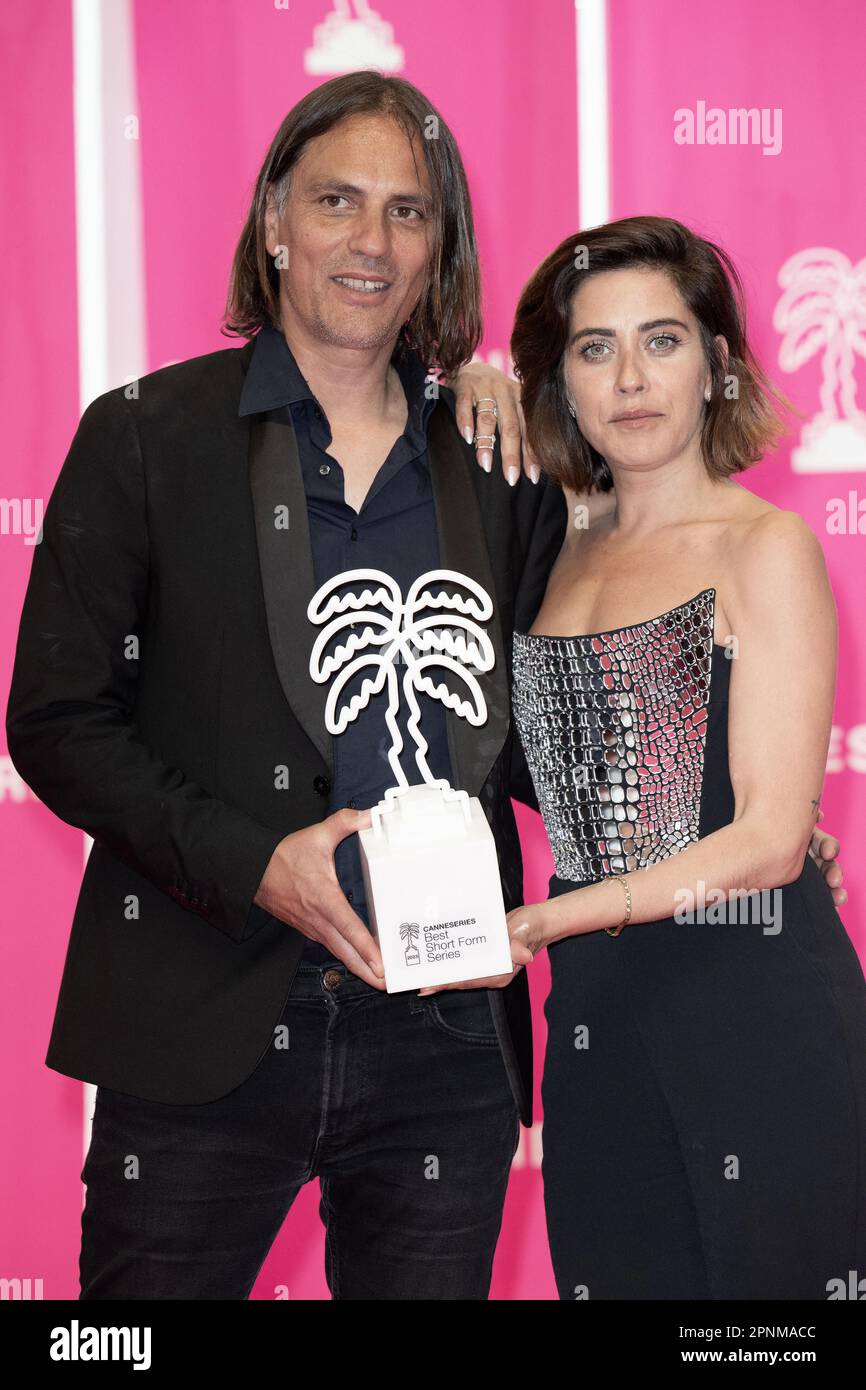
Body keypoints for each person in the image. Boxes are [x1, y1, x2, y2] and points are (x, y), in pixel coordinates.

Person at [4, 71, 844, 1299]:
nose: (372, 239)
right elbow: (57, 721)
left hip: (446, 1033)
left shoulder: (494, 458)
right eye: (338, 201)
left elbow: (543, 727)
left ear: (438, 245)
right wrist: (254, 861)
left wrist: (741, 832)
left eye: (408, 212)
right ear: (275, 222)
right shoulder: (144, 435)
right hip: (201, 1016)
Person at [427, 214, 866, 1299]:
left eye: (661, 340)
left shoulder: (764, 546)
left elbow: (765, 842)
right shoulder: (550, 542)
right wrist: (466, 381)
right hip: (596, 1030)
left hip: (755, 1013)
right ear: (559, 379)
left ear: (716, 364)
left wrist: (536, 921)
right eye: (592, 347)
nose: (628, 376)